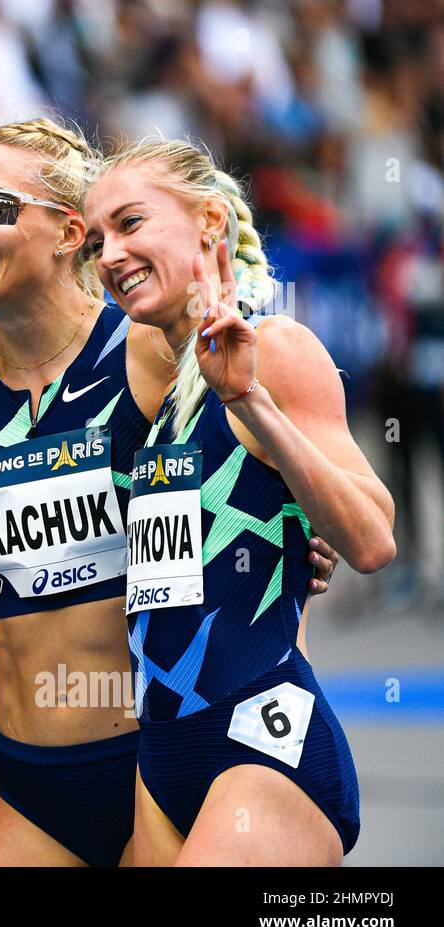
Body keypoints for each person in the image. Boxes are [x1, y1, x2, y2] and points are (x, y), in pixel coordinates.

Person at [0, 118, 340, 866]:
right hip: (38, 785)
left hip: (168, 761)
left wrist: (300, 529)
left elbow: (256, 471)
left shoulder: (146, 356)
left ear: (70, 232)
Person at [80, 137, 394, 864]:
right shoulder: (157, 395)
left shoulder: (273, 348)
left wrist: (252, 401)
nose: (109, 254)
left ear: (209, 223)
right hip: (163, 757)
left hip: (263, 742)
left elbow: (373, 539)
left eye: (130, 224)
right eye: (98, 239)